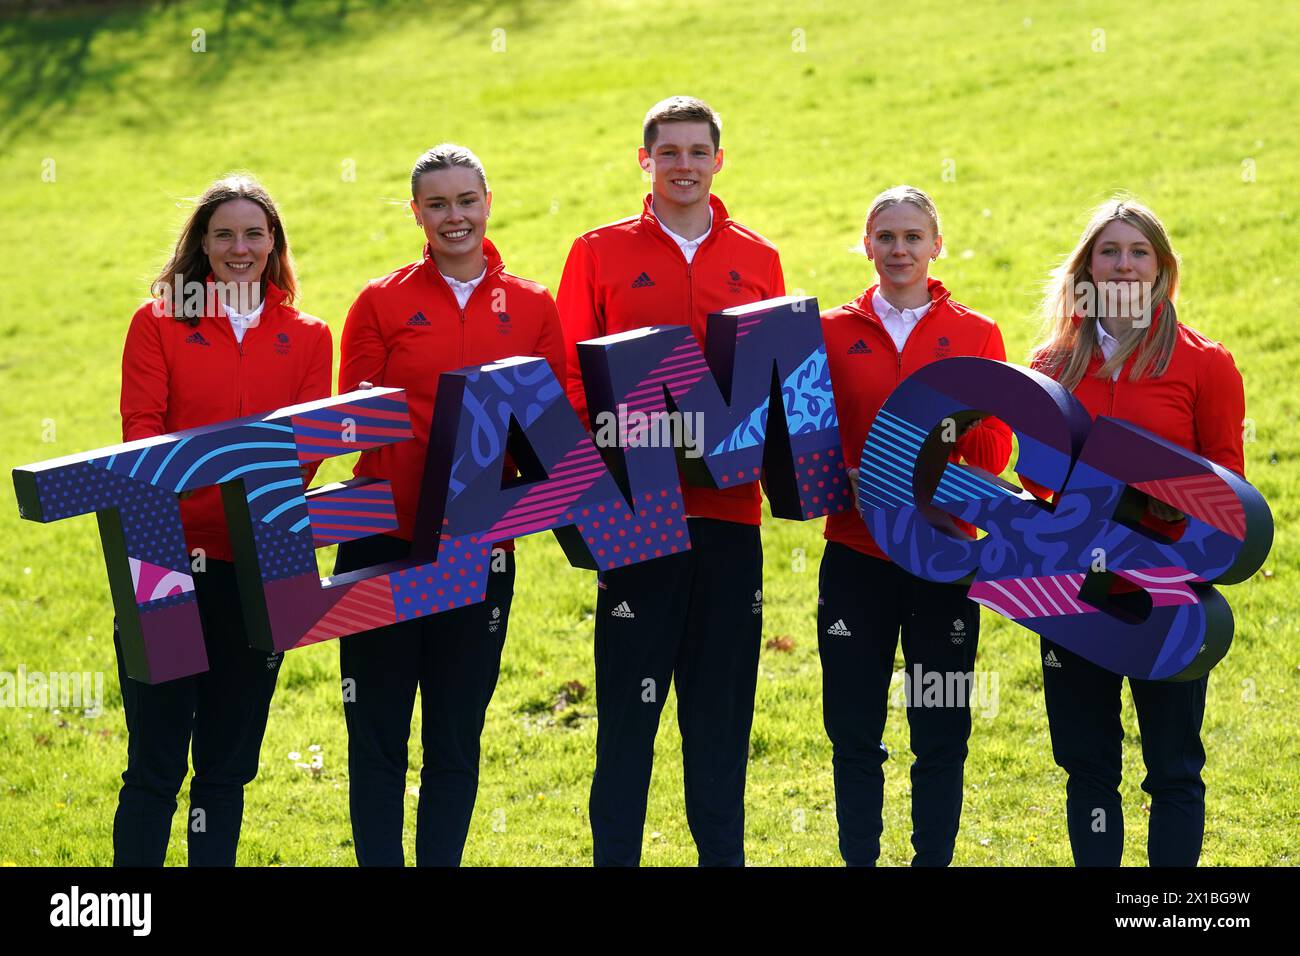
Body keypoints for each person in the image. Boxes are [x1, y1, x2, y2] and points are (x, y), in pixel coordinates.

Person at [556, 95, 785, 866]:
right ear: (644, 161)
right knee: (628, 717)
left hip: (729, 519)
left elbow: (779, 379)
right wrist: (619, 460)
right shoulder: (596, 251)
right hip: (635, 515)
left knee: (719, 720)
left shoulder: (759, 257)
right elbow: (568, 371)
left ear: (719, 160)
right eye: (669, 151)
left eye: (698, 151)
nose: (683, 165)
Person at [334, 144, 564, 866]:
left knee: (455, 732)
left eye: (466, 200)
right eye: (437, 204)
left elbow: (555, 437)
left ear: (487, 202)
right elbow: (347, 426)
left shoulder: (531, 307)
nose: (454, 216)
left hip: (478, 546)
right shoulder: (379, 302)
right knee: (376, 730)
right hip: (382, 541)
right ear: (417, 214)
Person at [117, 174, 333, 865]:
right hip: (163, 561)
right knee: (154, 768)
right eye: (224, 235)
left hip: (262, 564)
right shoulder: (157, 321)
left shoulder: (309, 336)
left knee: (227, 767)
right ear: (202, 245)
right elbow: (141, 438)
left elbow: (302, 457)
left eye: (254, 234)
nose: (240, 248)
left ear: (274, 245)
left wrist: (246, 505)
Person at [1025, 197, 1246, 866]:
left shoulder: (1205, 364)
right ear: (1087, 267)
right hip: (1073, 592)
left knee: (1173, 766)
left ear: (1162, 270)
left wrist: (1145, 507)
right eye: (1109, 252)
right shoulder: (1051, 362)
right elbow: (1037, 478)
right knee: (1088, 765)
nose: (1123, 265)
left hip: (1166, 593)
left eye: (1137, 252)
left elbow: (1228, 494)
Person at [818, 185, 1012, 866]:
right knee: (853, 729)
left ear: (937, 246)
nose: (899, 250)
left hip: (946, 561)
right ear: (866, 244)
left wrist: (961, 424)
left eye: (912, 238)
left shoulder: (977, 333)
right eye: (886, 237)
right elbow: (811, 450)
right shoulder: (831, 333)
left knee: (941, 729)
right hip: (856, 556)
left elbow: (992, 457)